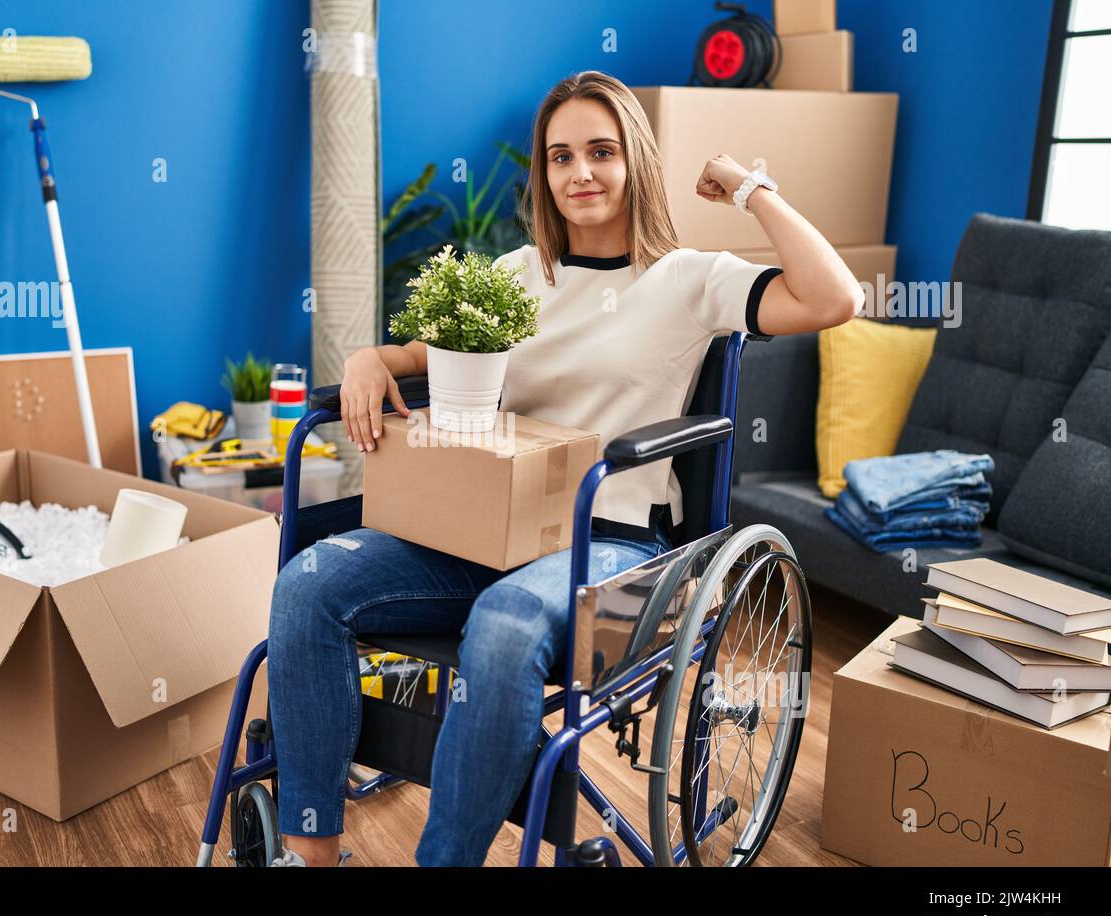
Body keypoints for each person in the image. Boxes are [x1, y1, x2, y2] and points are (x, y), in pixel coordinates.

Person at [267, 69, 863, 867]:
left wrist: (750, 187)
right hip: (486, 531)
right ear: (544, 176)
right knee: (307, 584)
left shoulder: (689, 280)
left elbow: (836, 298)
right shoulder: (519, 275)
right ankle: (309, 851)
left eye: (601, 151)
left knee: (507, 628)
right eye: (560, 157)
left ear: (635, 163)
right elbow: (424, 353)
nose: (579, 173)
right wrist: (370, 355)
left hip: (610, 545)